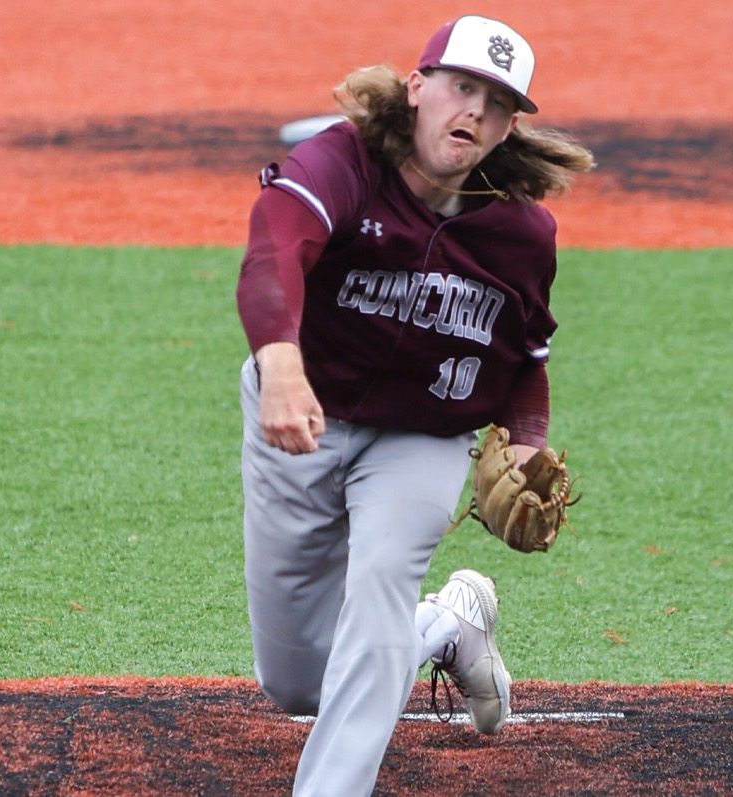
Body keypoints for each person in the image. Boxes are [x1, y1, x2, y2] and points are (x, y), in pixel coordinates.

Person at [235, 15, 594, 796]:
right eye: (461, 86)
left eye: (497, 104)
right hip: (303, 415)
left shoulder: (522, 235)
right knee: (298, 682)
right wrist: (281, 360)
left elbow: (526, 358)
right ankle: (446, 624)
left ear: (506, 129)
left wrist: (530, 441)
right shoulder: (344, 162)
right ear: (417, 88)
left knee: (376, 595)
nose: (474, 111)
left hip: (425, 438)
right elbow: (275, 248)